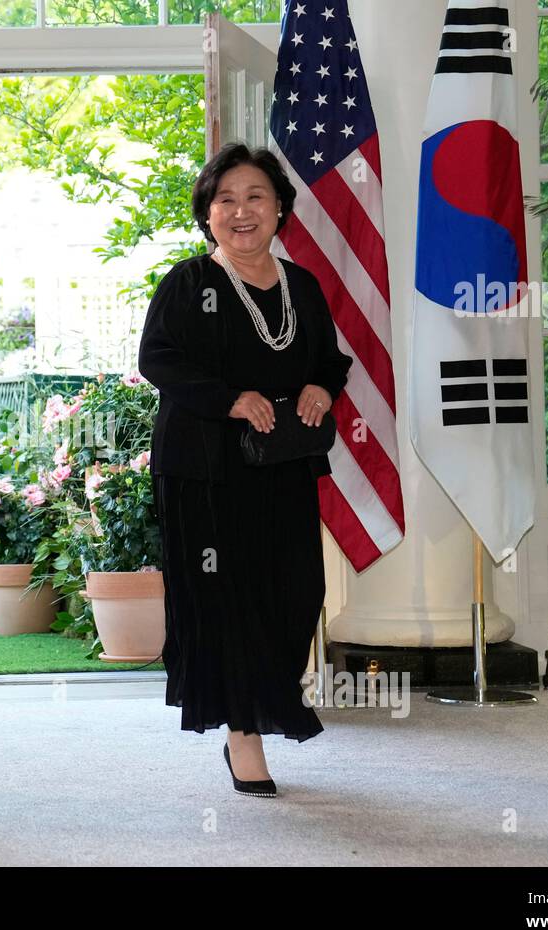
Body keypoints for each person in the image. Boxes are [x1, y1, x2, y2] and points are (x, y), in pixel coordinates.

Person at [137, 142, 352, 797]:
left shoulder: (303, 287)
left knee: (295, 594)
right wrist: (229, 398)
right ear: (207, 215)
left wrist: (321, 387)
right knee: (227, 603)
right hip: (205, 472)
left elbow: (328, 361)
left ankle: (267, 703)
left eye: (254, 196)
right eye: (224, 199)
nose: (240, 210)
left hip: (281, 465)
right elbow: (158, 360)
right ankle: (244, 736)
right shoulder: (188, 283)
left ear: (280, 209)